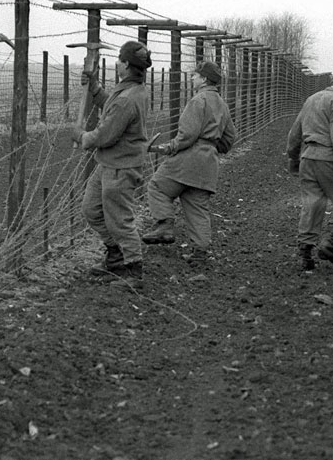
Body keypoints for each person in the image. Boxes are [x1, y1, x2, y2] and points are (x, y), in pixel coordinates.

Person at [70, 41, 151, 287]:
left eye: (119, 58)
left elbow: (106, 134)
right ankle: (115, 255)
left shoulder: (128, 98)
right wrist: (94, 88)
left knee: (120, 219)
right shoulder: (133, 90)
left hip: (121, 167)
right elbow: (112, 106)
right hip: (109, 163)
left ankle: (134, 270)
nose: (116, 62)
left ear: (126, 65)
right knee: (91, 209)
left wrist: (83, 137)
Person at [141, 61, 236, 269]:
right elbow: (230, 137)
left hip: (188, 158)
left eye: (195, 75)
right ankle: (200, 253)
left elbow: (187, 135)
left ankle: (164, 225)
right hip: (209, 163)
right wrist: (211, 149)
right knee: (197, 207)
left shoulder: (198, 100)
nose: (193, 78)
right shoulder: (221, 103)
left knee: (157, 186)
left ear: (203, 79)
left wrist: (169, 147)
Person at [285, 69, 333, 271]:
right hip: (328, 159)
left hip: (307, 158)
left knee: (312, 203)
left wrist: (293, 158)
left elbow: (295, 133)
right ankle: (329, 241)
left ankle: (306, 253)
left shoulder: (311, 99)